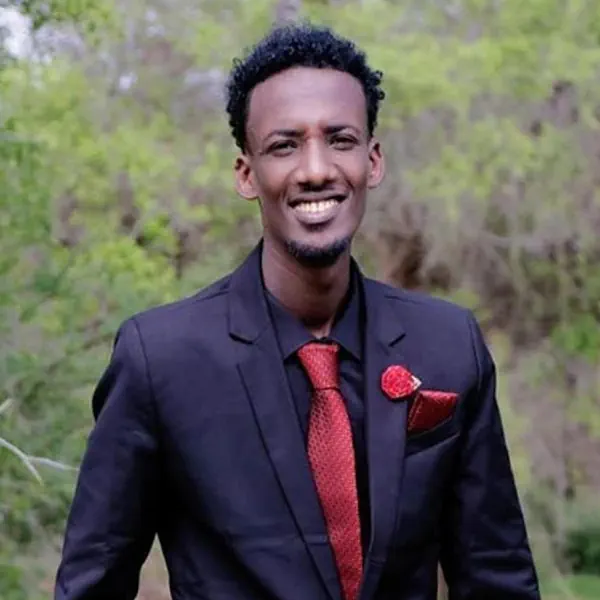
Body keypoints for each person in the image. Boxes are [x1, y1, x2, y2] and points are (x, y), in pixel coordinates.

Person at [54, 23, 541, 600]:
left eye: (340, 140)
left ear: (373, 160)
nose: (315, 169)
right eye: (285, 145)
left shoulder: (449, 344)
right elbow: (92, 585)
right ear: (246, 174)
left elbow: (497, 577)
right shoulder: (159, 361)